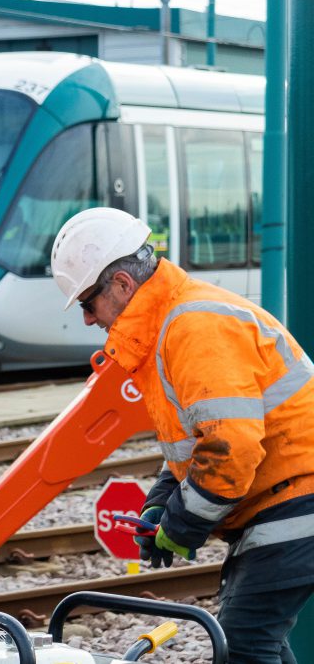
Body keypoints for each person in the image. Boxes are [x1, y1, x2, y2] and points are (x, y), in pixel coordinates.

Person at [50, 206, 314, 663]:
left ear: (122, 285)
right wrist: (161, 500)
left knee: (244, 645)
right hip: (287, 500)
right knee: (256, 641)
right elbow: (199, 442)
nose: (89, 320)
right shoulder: (172, 326)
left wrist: (182, 524)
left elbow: (231, 450)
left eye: (89, 303)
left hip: (296, 504)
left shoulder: (193, 327)